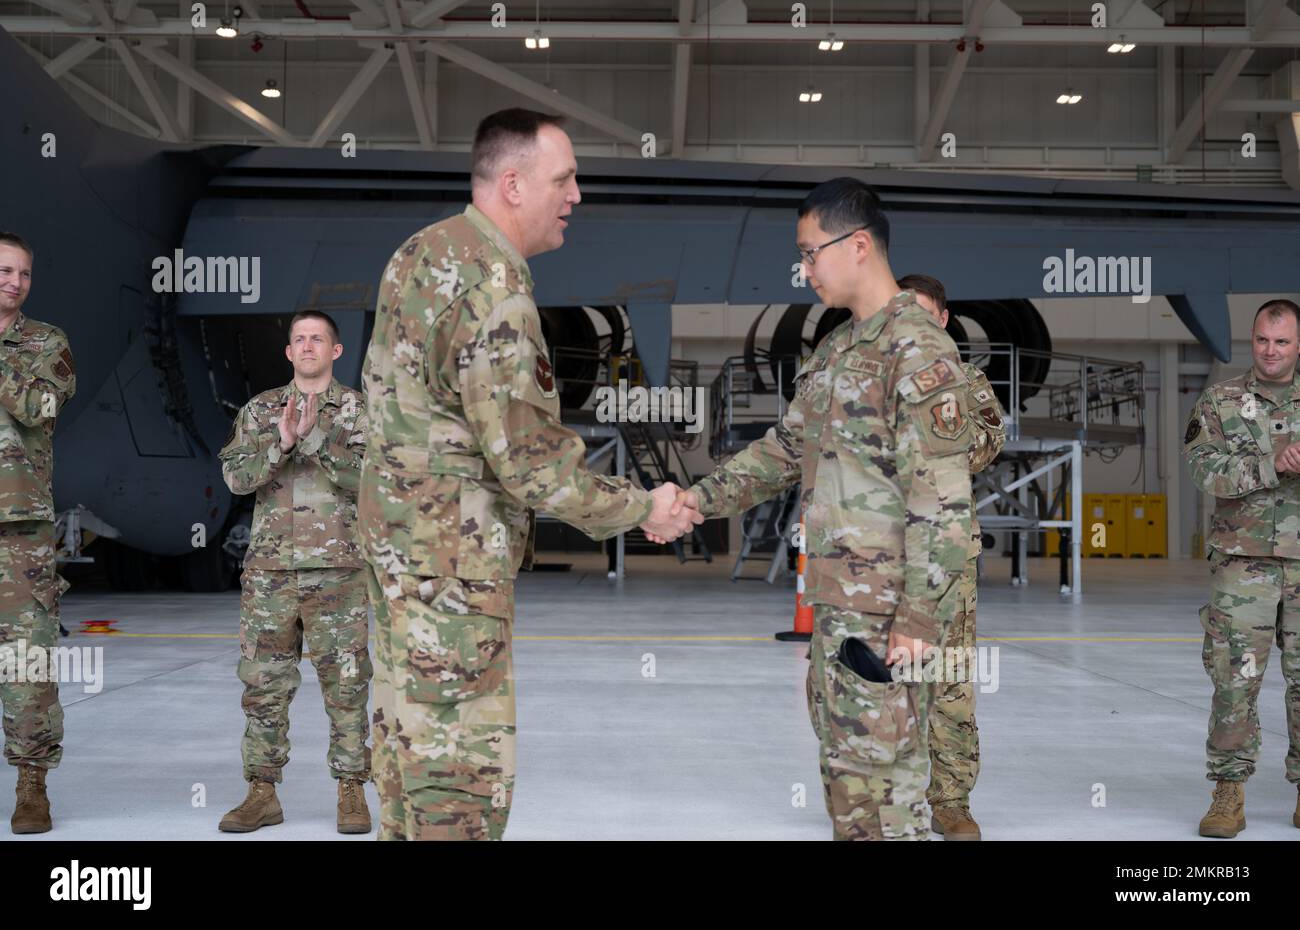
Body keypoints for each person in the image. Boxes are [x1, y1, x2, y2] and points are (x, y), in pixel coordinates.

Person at [359, 107, 701, 841]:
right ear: (513, 185)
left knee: (404, 769)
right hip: (453, 578)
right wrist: (645, 507)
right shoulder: (495, 289)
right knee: (457, 789)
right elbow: (534, 466)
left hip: (398, 565)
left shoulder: (418, 253)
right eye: (565, 178)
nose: (577, 195)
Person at [672, 179, 974, 839]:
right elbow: (783, 450)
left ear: (859, 245)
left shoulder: (918, 350)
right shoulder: (840, 350)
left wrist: (919, 618)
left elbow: (942, 498)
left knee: (889, 795)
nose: (804, 269)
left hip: (890, 616)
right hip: (842, 609)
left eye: (812, 253)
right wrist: (695, 501)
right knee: (849, 787)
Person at [217, 310, 373, 834]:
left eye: (318, 339)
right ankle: (262, 793)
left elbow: (375, 481)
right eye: (299, 339)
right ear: (288, 352)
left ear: (336, 350)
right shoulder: (261, 409)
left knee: (346, 685)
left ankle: (351, 791)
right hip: (270, 572)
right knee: (264, 685)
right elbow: (236, 478)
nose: (308, 347)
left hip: (339, 571)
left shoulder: (358, 410)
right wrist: (280, 443)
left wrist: (316, 441)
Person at [1184, 298, 1300, 838]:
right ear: (1251, 341)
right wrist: (1270, 464)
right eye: (1261, 340)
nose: (1270, 351)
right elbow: (1203, 471)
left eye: (1281, 342)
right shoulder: (1222, 401)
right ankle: (1228, 792)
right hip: (1243, 565)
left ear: (1298, 345)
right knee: (1235, 681)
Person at [903, 273, 1006, 841]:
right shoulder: (865, 381)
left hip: (945, 555)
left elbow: (984, 446)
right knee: (875, 681)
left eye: (923, 315)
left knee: (949, 679)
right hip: (878, 556)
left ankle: (951, 802)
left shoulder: (969, 382)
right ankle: (883, 798)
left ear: (942, 319)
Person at [0, 232, 76, 834]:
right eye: (4, 271)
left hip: (19, 530)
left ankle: (31, 786)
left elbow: (41, 409)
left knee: (26, 664)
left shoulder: (46, 343)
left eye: (22, 274)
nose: (14, 282)